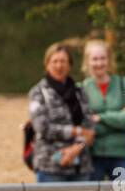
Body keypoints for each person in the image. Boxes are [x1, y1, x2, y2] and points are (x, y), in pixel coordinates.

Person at [29, 43, 94, 182]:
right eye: (55, 61)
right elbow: (42, 127)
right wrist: (75, 131)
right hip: (50, 168)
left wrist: (76, 148)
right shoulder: (38, 93)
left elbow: (89, 127)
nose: (59, 66)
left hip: (80, 167)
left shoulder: (80, 91)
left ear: (70, 65)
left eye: (63, 61)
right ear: (47, 64)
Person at [81, 39, 125, 182]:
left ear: (109, 60)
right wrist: (119, 117)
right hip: (93, 157)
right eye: (95, 59)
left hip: (120, 157)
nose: (99, 63)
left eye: (103, 58)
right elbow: (85, 123)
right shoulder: (82, 89)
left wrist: (101, 118)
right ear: (87, 61)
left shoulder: (123, 86)